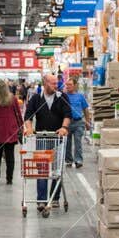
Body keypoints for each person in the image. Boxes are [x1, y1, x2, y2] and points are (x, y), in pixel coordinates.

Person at [22, 74, 72, 216]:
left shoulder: (62, 97)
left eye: (57, 83)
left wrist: (64, 128)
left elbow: (68, 114)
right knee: (42, 170)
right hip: (42, 139)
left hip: (58, 139)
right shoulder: (36, 99)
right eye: (53, 83)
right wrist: (29, 128)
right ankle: (42, 200)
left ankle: (54, 198)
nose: (56, 86)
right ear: (45, 83)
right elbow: (28, 116)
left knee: (56, 170)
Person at [0, 80, 25, 184]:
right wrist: (21, 126)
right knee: (10, 155)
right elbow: (18, 113)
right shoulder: (12, 98)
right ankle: (9, 178)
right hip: (11, 129)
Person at [63, 77, 91, 168]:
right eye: (67, 85)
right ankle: (68, 160)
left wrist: (87, 121)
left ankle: (78, 160)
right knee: (67, 143)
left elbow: (85, 109)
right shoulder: (63, 96)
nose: (68, 86)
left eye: (70, 85)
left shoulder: (80, 96)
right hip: (67, 123)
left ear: (75, 86)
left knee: (78, 141)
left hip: (78, 122)